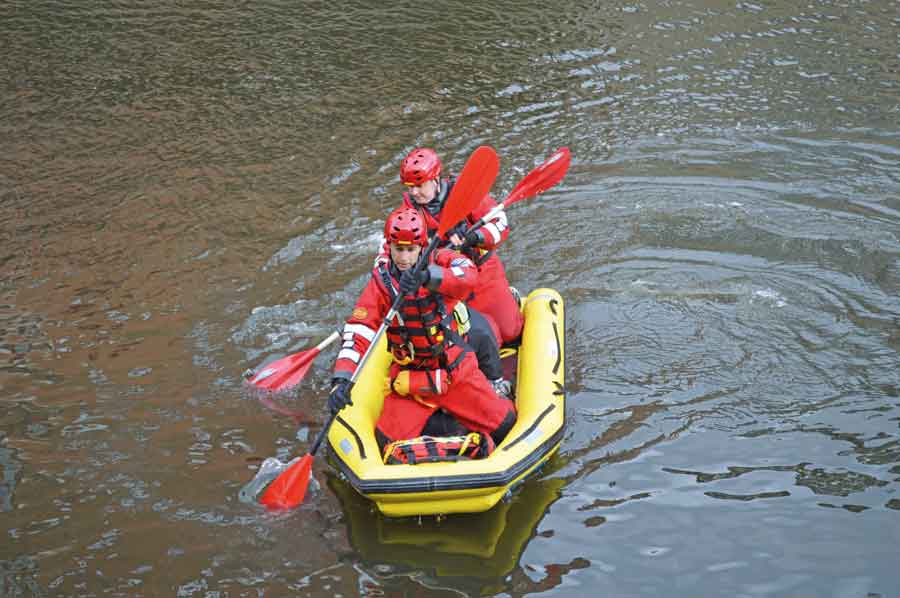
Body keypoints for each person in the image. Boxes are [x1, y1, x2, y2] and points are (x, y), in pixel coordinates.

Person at [329, 207, 516, 461]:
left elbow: (467, 274)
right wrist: (341, 379)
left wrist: (429, 277)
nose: (404, 257)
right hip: (410, 380)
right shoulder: (382, 282)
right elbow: (359, 330)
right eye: (398, 249)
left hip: (454, 372)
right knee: (385, 447)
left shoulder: (440, 259)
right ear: (389, 246)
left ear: (421, 247)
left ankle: (471, 432)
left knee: (506, 425)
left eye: (410, 250)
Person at [388, 147, 525, 346]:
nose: (414, 192)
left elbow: (500, 225)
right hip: (449, 283)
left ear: (435, 179)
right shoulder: (408, 213)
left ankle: (511, 298)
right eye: (410, 186)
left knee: (511, 332)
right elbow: (392, 248)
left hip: (483, 271)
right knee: (489, 337)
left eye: (419, 185)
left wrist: (474, 237)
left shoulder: (466, 192)